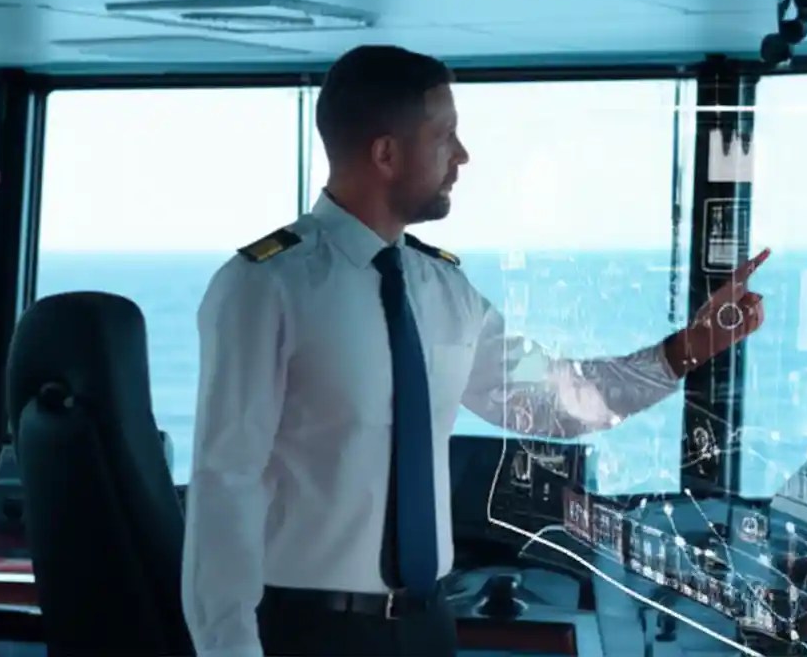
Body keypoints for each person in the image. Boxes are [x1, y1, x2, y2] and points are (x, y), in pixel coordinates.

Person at [180, 44, 770, 657]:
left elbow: (556, 397)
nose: (461, 156)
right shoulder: (264, 287)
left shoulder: (445, 291)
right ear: (386, 154)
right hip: (310, 631)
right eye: (445, 136)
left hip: (429, 625)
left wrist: (686, 350)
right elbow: (226, 485)